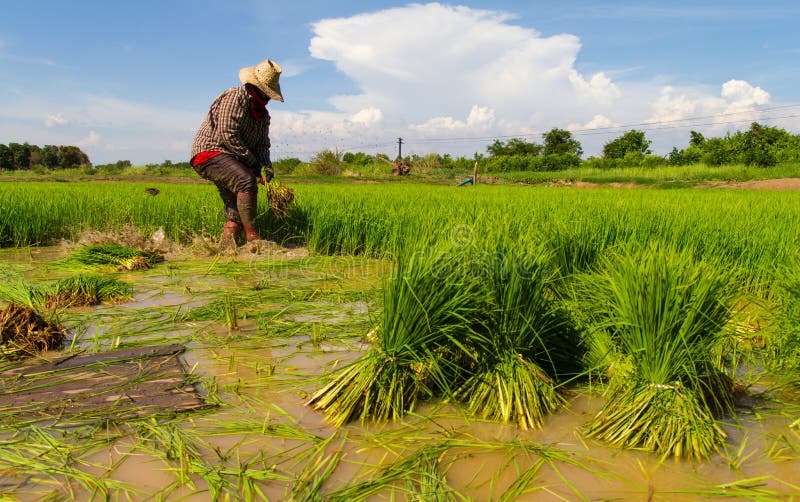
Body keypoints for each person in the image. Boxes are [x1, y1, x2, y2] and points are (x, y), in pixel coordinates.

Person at [190, 58, 283, 243]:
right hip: (210, 153)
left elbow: (262, 144)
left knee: (235, 214)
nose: (266, 98)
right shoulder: (235, 96)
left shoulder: (263, 115)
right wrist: (253, 164)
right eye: (264, 92)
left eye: (268, 95)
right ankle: (253, 240)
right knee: (246, 180)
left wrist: (266, 165)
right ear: (254, 86)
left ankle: (225, 253)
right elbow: (227, 134)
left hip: (234, 160)